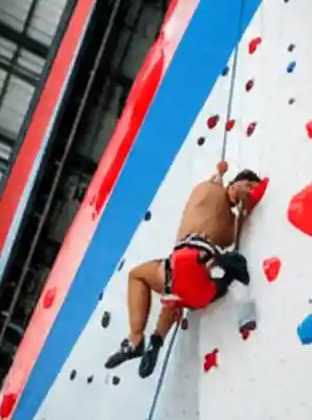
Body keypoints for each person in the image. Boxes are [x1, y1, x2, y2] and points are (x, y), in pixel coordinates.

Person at [104, 161, 263, 378]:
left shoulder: (221, 209)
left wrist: (234, 190)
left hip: (192, 265)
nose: (248, 190)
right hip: (195, 283)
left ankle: (137, 339)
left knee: (154, 277)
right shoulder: (219, 199)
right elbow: (221, 187)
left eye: (252, 188)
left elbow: (227, 197)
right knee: (166, 290)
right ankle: (154, 340)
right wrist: (226, 181)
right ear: (237, 182)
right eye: (248, 185)